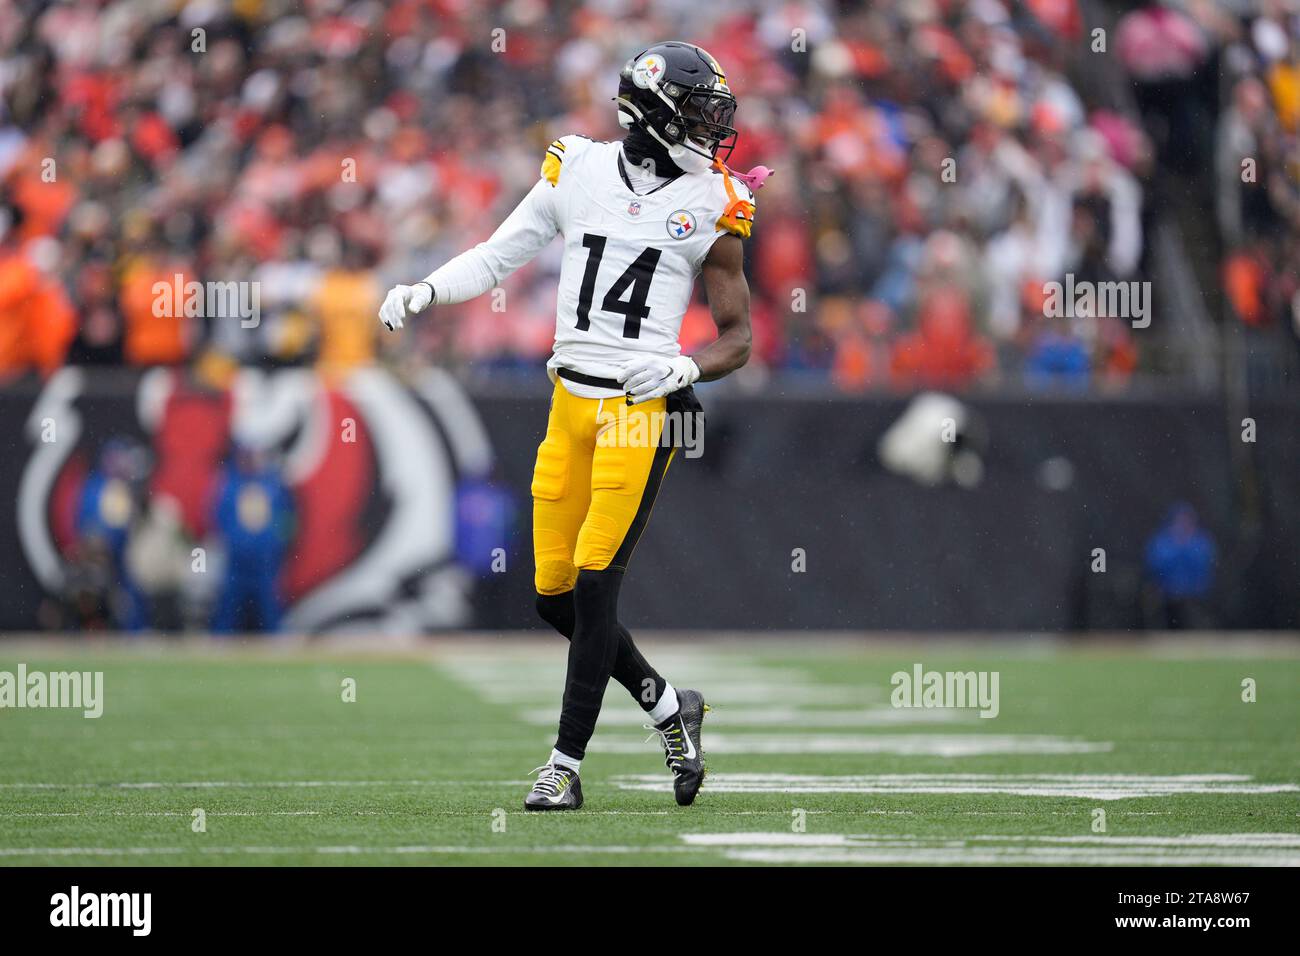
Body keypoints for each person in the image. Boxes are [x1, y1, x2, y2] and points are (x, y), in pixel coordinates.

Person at [379, 42, 759, 811]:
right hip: (568, 404)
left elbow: (738, 335)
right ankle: (667, 707)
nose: (713, 129)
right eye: (699, 111)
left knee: (593, 589)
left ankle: (563, 766)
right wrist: (424, 291)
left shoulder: (716, 201)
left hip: (637, 411)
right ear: (653, 114)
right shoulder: (577, 167)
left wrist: (683, 369)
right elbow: (495, 257)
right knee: (552, 595)